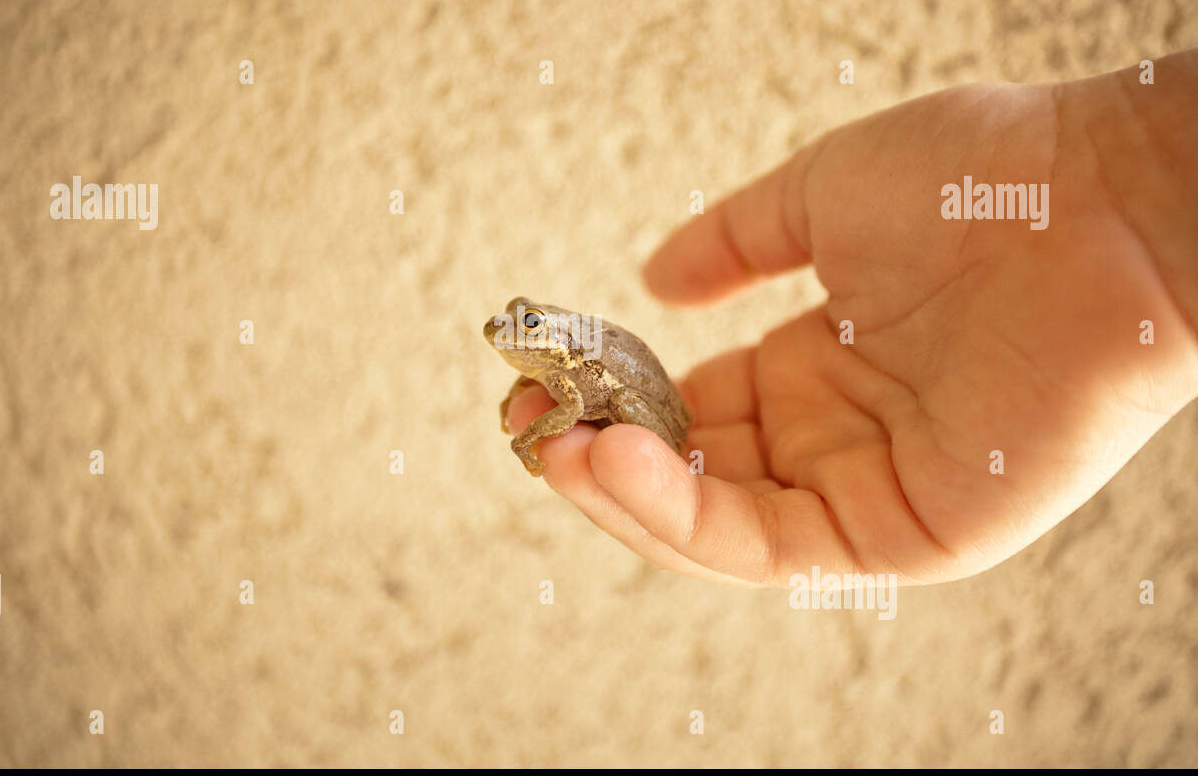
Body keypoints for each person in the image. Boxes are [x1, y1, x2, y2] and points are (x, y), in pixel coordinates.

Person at [503, 50, 1198, 587]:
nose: (511, 335)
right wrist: (1126, 178)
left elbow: (565, 410)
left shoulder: (571, 368)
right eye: (516, 324)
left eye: (528, 326)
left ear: (555, 336)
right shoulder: (558, 362)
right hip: (634, 387)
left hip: (636, 396)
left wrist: (529, 435)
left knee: (618, 408)